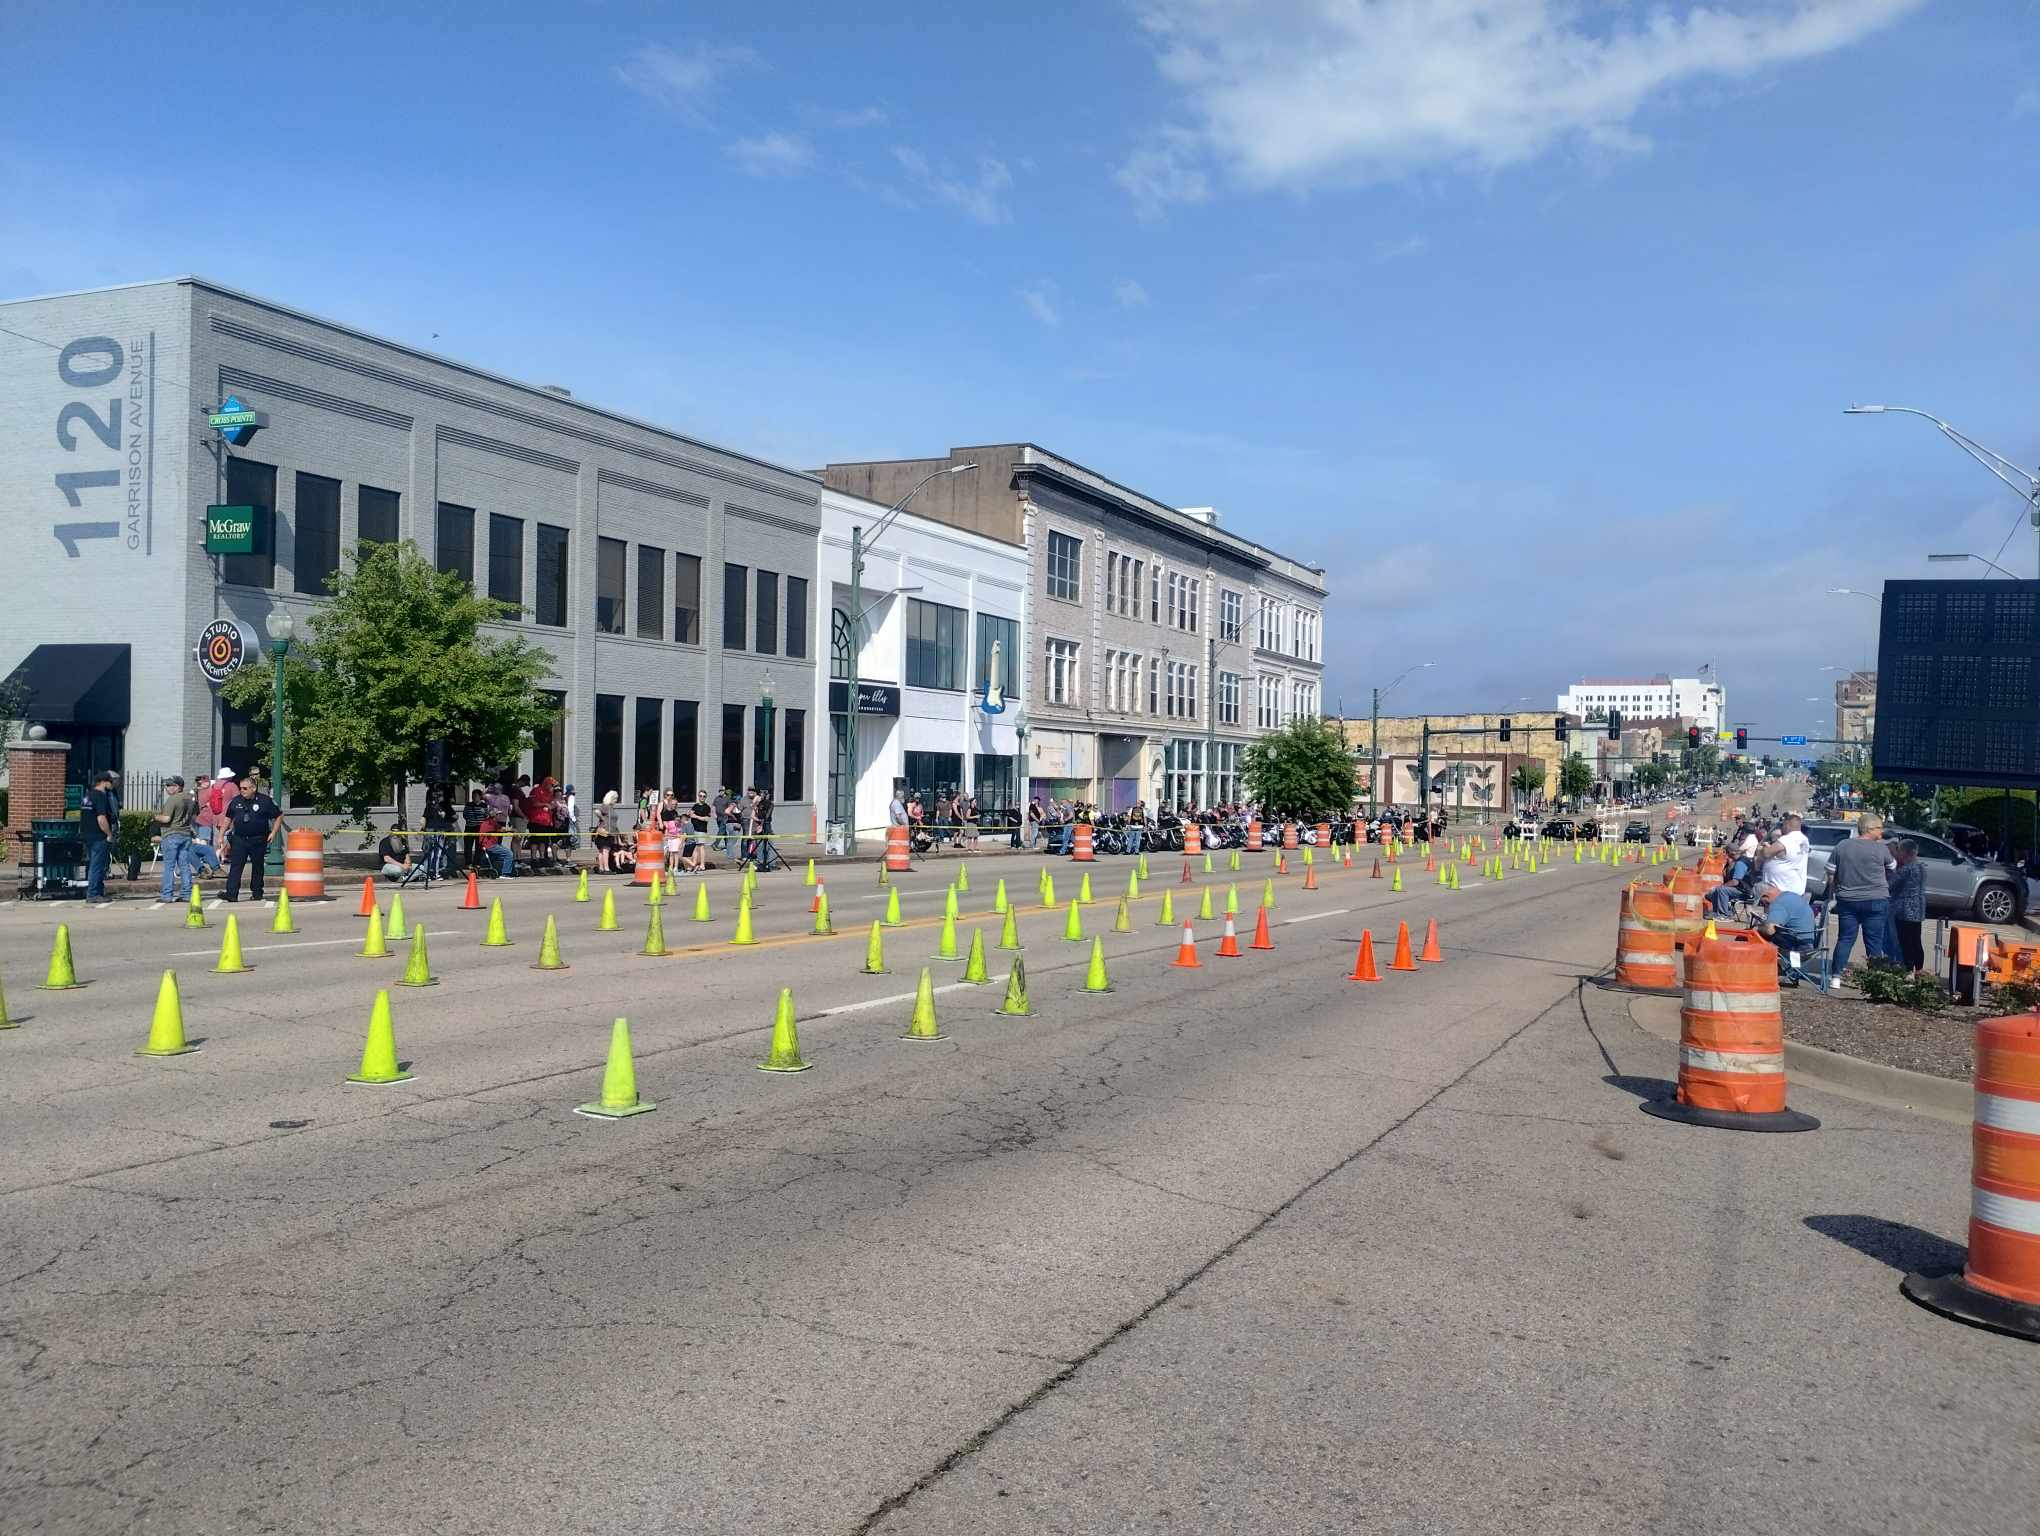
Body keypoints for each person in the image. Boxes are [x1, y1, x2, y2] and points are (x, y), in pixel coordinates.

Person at [1828, 816, 1896, 975]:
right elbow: (1893, 866)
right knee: (1874, 941)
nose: (1882, 831)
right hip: (1876, 899)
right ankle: (1874, 979)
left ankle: (1836, 975)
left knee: (1845, 939)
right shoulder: (1881, 849)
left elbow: (1831, 873)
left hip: (1847, 899)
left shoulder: (1842, 845)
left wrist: (1833, 894)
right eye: (1879, 827)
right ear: (1869, 829)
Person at [221, 775, 282, 902]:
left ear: (253, 788)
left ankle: (257, 892)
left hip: (258, 838)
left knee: (258, 866)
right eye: (240, 788)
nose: (242, 790)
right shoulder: (236, 801)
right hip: (240, 839)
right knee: (236, 866)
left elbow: (278, 815)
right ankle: (231, 894)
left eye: (245, 788)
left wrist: (274, 832)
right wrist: (221, 834)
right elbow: (228, 818)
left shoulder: (265, 801)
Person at [1751, 884, 1821, 986]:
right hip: (1808, 945)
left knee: (1751, 936)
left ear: (1766, 896)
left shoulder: (1778, 904)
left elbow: (1769, 930)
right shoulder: (1791, 896)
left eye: (1762, 902)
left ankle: (1756, 972)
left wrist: (1758, 927)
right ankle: (1777, 970)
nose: (1763, 905)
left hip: (1797, 950)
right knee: (1761, 935)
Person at [1886, 838, 1927, 974]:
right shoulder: (1921, 867)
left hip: (1904, 910)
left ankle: (1908, 970)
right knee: (1916, 941)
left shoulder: (1906, 869)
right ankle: (1919, 971)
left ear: (1904, 853)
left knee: (1905, 942)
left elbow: (1891, 885)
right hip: (1919, 909)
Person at [153, 774, 195, 904]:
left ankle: (166, 895)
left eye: (170, 785)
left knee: (169, 867)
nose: (167, 788)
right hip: (186, 834)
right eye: (166, 785)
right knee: (184, 866)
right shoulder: (190, 799)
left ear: (177, 786)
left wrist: (155, 817)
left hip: (171, 834)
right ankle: (187, 894)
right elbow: (195, 814)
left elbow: (166, 819)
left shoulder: (173, 800)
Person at [80, 767, 118, 905]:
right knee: (97, 866)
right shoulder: (100, 796)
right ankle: (93, 893)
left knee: (91, 865)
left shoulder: (88, 795)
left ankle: (93, 890)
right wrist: (108, 834)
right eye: (110, 781)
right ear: (104, 782)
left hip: (86, 835)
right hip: (98, 835)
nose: (112, 784)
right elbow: (101, 818)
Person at [1758, 813, 1810, 896]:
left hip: (1781, 889)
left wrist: (1763, 847)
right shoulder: (1804, 839)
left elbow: (1766, 853)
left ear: (1787, 825)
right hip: (1794, 888)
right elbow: (1786, 854)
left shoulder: (1787, 839)